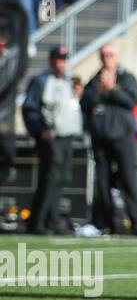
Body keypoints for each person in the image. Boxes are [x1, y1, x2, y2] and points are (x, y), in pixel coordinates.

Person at [80, 43, 137, 235]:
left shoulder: (126, 77)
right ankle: (110, 225)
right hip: (100, 139)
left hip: (122, 138)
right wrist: (100, 90)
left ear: (117, 57)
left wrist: (113, 88)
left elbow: (132, 100)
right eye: (104, 55)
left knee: (128, 181)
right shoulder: (94, 80)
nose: (107, 59)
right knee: (103, 183)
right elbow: (85, 103)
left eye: (110, 55)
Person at [21, 45, 82, 235]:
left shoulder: (67, 82)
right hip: (51, 138)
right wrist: (40, 131)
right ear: (51, 61)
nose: (62, 63)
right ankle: (38, 222)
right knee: (49, 179)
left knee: (61, 179)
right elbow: (29, 108)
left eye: (64, 59)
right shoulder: (42, 81)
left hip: (66, 138)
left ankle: (53, 220)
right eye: (59, 59)